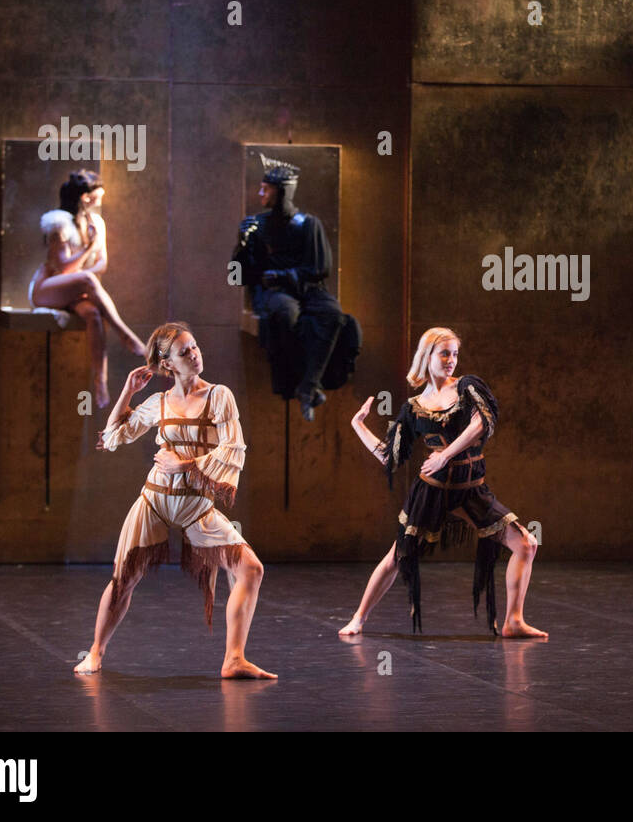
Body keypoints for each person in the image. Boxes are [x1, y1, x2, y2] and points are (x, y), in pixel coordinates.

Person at [74, 322, 275, 679]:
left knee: (251, 569)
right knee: (124, 578)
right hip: (156, 500)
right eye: (185, 352)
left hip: (196, 505)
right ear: (168, 364)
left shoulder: (219, 396)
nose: (195, 355)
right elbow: (114, 436)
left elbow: (234, 449)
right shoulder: (159, 403)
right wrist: (127, 392)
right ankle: (95, 652)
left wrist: (184, 463)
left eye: (195, 347)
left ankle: (234, 659)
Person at [339, 327, 545, 638]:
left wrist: (445, 455)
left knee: (526, 544)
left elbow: (482, 422)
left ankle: (513, 621)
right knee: (399, 556)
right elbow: (388, 456)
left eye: (455, 353)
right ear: (427, 356)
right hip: (432, 492)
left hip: (471, 489)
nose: (451, 360)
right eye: (444, 353)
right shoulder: (413, 408)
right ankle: (358, 618)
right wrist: (357, 425)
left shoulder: (467, 388)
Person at [232, 155, 347, 421]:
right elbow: (236, 275)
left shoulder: (308, 225)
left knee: (333, 314)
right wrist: (242, 243)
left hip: (305, 288)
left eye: (266, 189)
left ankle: (309, 384)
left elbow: (320, 267)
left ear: (282, 191)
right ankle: (301, 383)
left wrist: (283, 274)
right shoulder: (257, 226)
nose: (260, 193)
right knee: (285, 314)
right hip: (274, 293)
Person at [29, 170, 146, 409]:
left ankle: (100, 381)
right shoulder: (59, 222)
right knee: (89, 281)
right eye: (98, 190)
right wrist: (88, 249)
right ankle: (125, 334)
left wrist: (84, 279)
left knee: (93, 314)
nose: (102, 193)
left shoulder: (97, 224)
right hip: (47, 289)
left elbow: (102, 263)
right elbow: (62, 267)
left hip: (75, 290)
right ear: (85, 196)